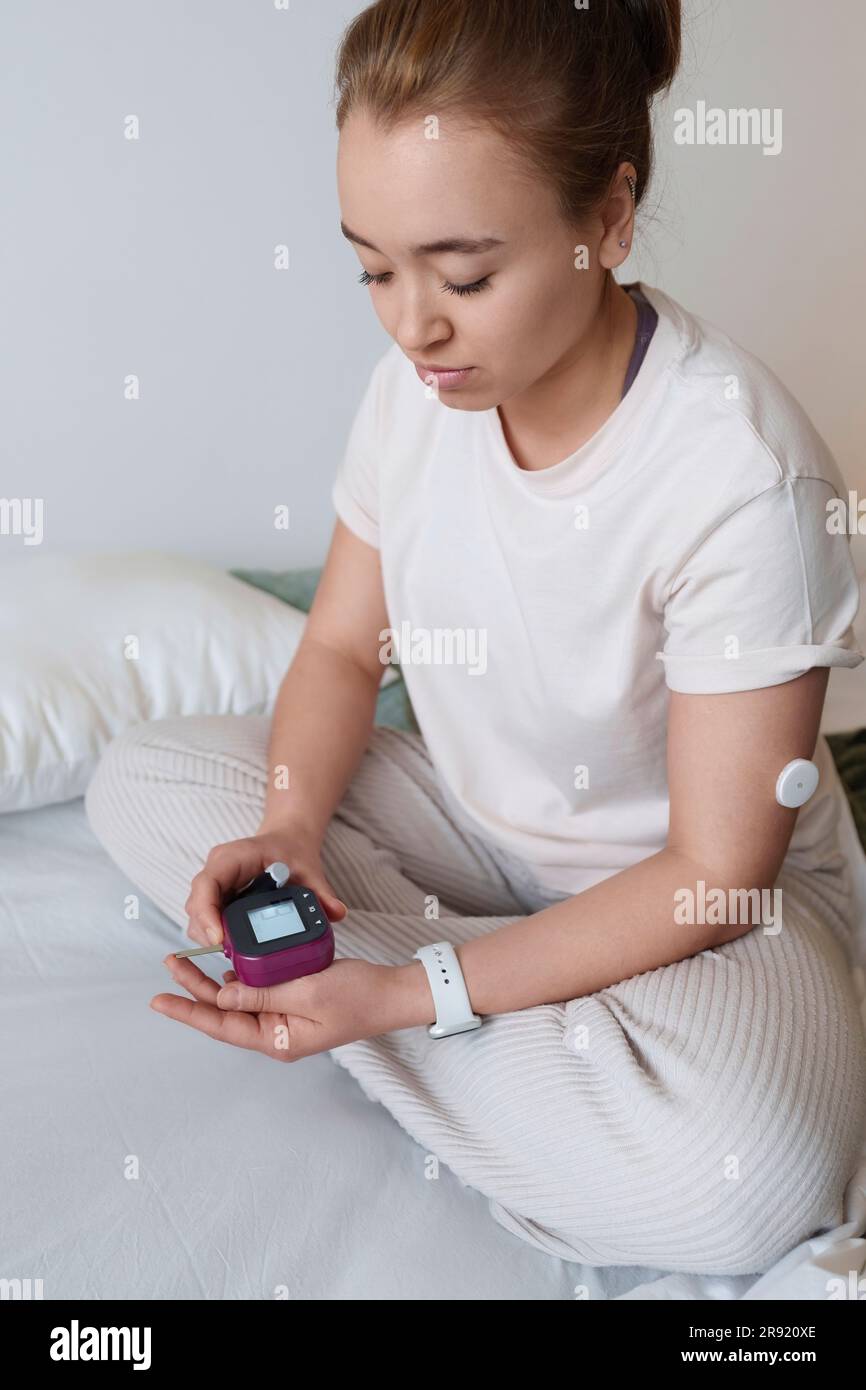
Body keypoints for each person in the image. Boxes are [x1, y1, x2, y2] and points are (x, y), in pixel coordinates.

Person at [85, 0, 866, 1275]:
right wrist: (288, 829)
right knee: (148, 777)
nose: (411, 328)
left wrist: (407, 991)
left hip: (717, 918)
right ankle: (493, 1034)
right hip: (483, 837)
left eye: (462, 275)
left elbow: (707, 872)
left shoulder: (737, 477)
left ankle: (374, 1008)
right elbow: (343, 652)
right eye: (373, 269)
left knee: (746, 1175)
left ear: (605, 220)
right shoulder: (416, 393)